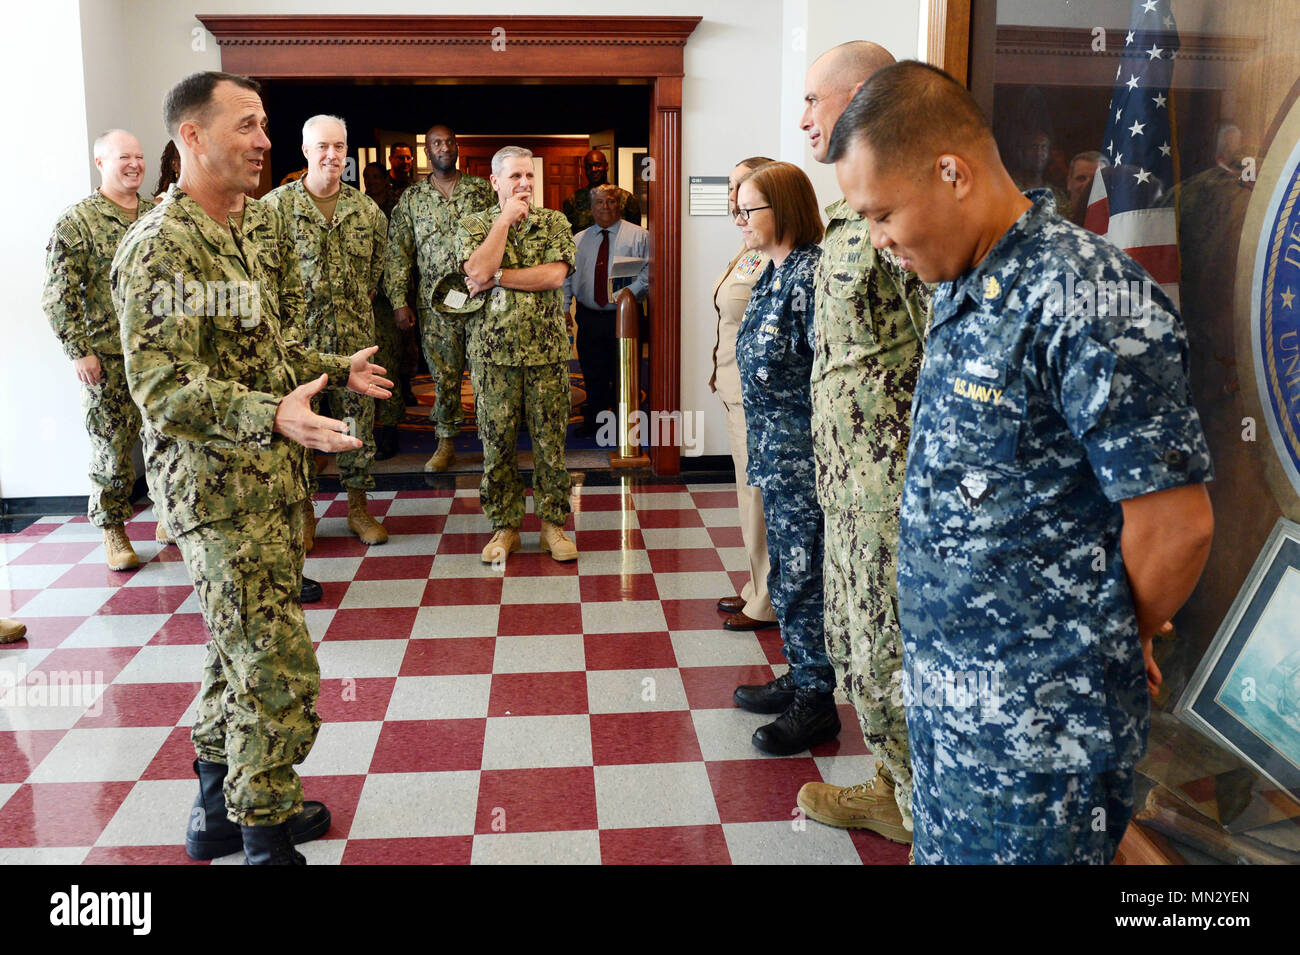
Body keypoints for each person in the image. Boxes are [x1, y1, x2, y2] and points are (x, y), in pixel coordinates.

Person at [828, 60, 1215, 864]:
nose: (878, 240)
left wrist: (1111, 635)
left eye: (882, 213)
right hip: (951, 720)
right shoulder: (966, 280)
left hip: (1035, 747)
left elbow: (1174, 525)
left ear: (952, 172)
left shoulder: (1085, 295)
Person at [112, 71, 393, 864]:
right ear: (192, 137)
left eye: (266, 125)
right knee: (279, 673)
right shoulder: (159, 247)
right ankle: (266, 838)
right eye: (247, 125)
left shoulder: (232, 228)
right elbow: (164, 389)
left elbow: (261, 354)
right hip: (216, 495)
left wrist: (336, 366)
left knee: (232, 653)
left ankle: (215, 814)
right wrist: (272, 413)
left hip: (264, 484)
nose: (265, 141)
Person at [790, 39, 926, 845]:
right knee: (853, 646)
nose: (802, 117)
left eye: (815, 99)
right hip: (843, 484)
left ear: (863, 98)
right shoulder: (846, 215)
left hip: (891, 488)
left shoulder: (899, 217)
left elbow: (938, 350)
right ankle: (892, 779)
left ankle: (920, 808)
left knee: (884, 662)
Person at [730, 161, 839, 756]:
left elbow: (826, 376)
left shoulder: (810, 276)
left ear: (786, 210)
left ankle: (817, 704)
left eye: (751, 209)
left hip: (802, 459)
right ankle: (801, 673)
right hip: (776, 455)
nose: (740, 219)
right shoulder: (774, 272)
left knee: (801, 578)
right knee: (787, 575)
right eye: (739, 209)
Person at [263, 114, 390, 547]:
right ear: (305, 151)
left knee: (357, 427)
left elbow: (376, 271)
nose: (331, 155)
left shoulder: (366, 210)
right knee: (300, 430)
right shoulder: (273, 209)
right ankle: (304, 514)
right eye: (322, 147)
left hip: (354, 343)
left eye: (338, 147)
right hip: (300, 347)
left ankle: (358, 509)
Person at [458, 146, 578, 564]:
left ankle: (552, 526)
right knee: (498, 446)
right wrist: (504, 223)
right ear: (496, 182)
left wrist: (500, 277)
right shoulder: (474, 225)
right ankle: (505, 526)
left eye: (529, 176)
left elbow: (553, 275)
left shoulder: (555, 222)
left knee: (551, 446)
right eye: (515, 177)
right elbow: (475, 272)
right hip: (493, 360)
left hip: (546, 355)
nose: (525, 184)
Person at [42, 129, 154, 573]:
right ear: (101, 163)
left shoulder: (157, 214)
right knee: (112, 444)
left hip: (160, 354)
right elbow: (58, 294)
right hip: (107, 357)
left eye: (139, 156)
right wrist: (78, 350)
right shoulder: (78, 221)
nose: (134, 164)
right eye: (124, 156)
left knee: (166, 438)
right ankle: (113, 528)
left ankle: (168, 516)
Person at [384, 125, 495, 472]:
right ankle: (445, 443)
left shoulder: (481, 191)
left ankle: (493, 443)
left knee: (486, 374)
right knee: (444, 377)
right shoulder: (412, 199)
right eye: (436, 143)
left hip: (482, 300)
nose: (444, 147)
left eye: (449, 142)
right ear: (427, 152)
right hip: (435, 307)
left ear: (457, 147)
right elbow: (398, 252)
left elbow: (506, 238)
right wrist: (400, 301)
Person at [709, 156, 779, 633]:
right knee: (746, 493)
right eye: (732, 189)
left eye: (743, 190)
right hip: (735, 388)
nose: (735, 199)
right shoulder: (749, 248)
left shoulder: (780, 253)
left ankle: (770, 599)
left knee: (759, 496)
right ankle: (757, 586)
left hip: (759, 394)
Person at [564, 183, 649, 438]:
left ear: (618, 204)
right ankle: (597, 423)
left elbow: (649, 273)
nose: (605, 207)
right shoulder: (578, 240)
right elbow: (567, 278)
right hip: (588, 317)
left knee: (624, 371)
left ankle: (625, 425)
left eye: (611, 201)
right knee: (592, 370)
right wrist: (564, 307)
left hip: (625, 316)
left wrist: (628, 294)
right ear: (591, 208)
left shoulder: (640, 236)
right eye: (599, 202)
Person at [362, 161, 402, 458]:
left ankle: (390, 430)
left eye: (377, 176)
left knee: (388, 363)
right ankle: (362, 430)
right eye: (368, 177)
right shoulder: (358, 206)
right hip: (359, 300)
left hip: (386, 299)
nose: (373, 181)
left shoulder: (395, 206)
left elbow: (396, 252)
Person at [563, 149, 641, 232]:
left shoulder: (626, 198)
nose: (594, 169)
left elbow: (635, 233)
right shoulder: (573, 201)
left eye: (598, 165)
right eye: (589, 167)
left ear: (606, 166)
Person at [1065, 150, 1106, 225]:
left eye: (1096, 179)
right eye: (1081, 178)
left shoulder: (1119, 222)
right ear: (1069, 183)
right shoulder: (1053, 219)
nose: (1088, 185)